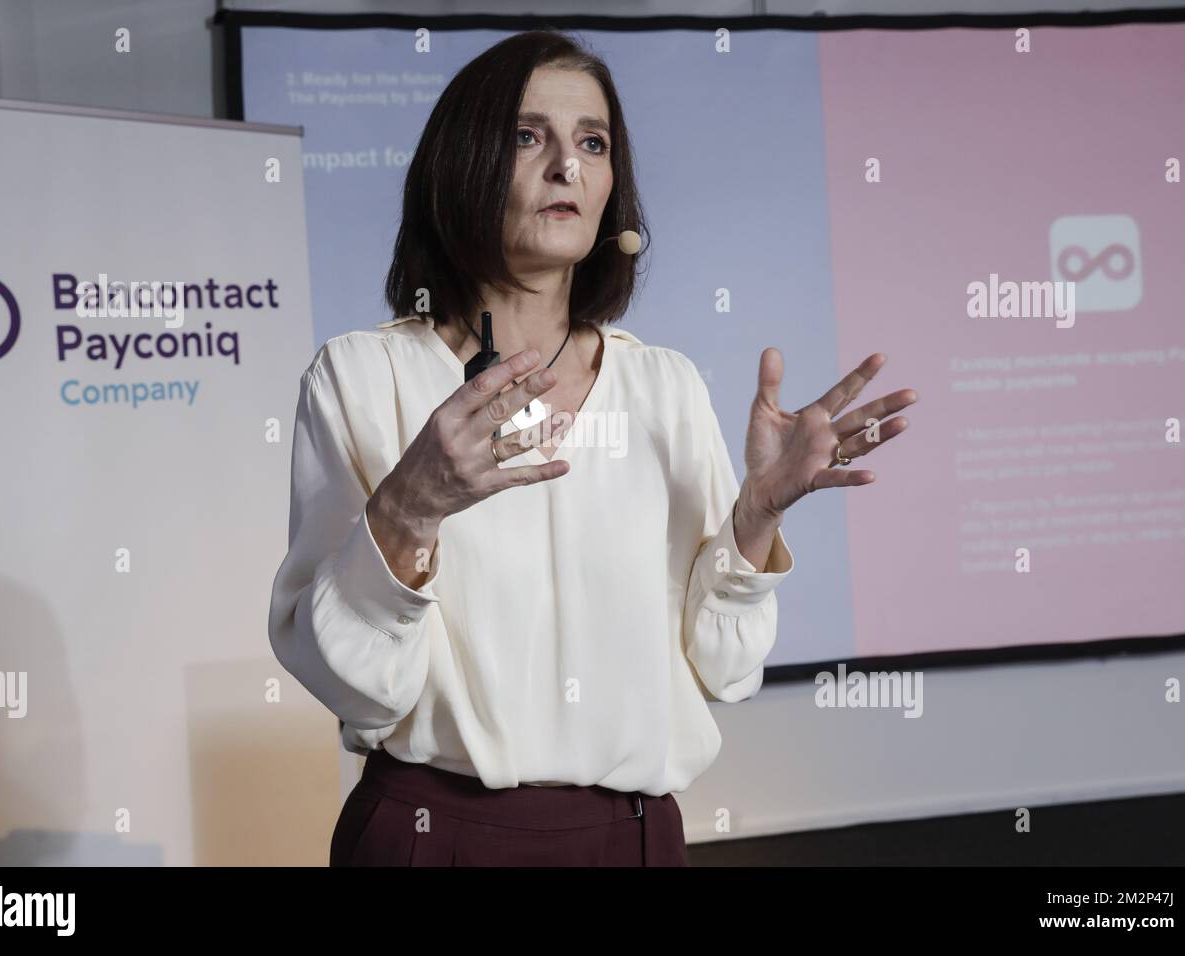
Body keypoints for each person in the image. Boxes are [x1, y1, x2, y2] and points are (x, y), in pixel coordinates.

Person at [268, 30, 917, 867]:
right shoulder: (362, 377)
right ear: (462, 164)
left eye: (593, 142)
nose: (566, 166)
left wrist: (754, 518)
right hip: (433, 835)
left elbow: (723, 669)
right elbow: (346, 679)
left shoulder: (665, 387)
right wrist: (408, 509)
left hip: (633, 839)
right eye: (527, 135)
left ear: (613, 187)